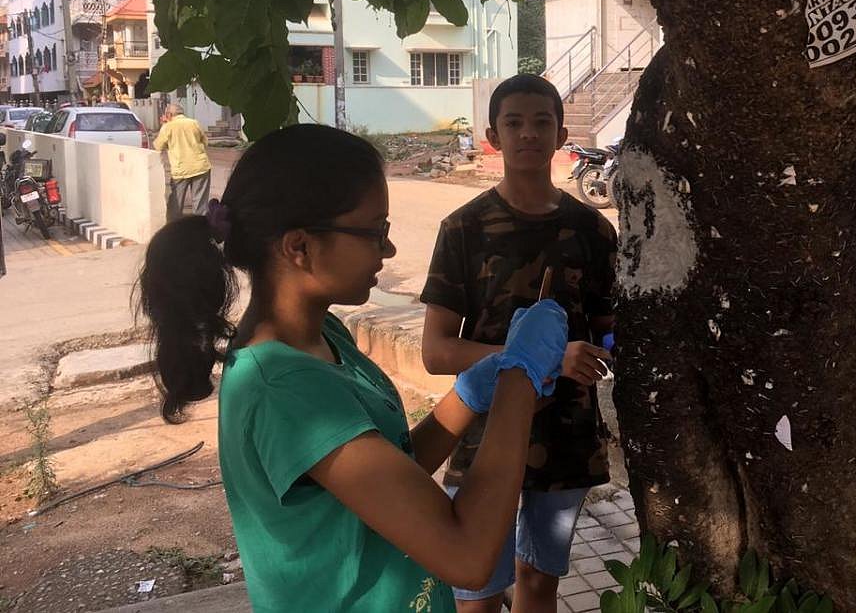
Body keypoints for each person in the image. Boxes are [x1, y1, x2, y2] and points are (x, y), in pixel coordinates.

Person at [135, 124, 568, 612]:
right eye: (375, 231)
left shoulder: (321, 335)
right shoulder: (282, 388)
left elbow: (389, 476)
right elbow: (468, 555)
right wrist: (519, 380)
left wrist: (466, 397)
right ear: (299, 247)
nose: (388, 250)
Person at [422, 74, 618, 613]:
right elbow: (437, 352)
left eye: (541, 122)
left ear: (560, 135)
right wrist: (550, 356)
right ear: (493, 134)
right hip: (481, 433)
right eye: (514, 122)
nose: (528, 133)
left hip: (566, 435)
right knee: (477, 589)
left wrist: (606, 349)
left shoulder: (594, 231)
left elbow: (608, 328)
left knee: (538, 581)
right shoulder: (463, 228)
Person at [154, 103, 212, 220]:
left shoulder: (168, 127)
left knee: (175, 205)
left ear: (169, 114)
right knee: (200, 206)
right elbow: (205, 142)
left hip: (180, 170)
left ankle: (173, 231)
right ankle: (199, 230)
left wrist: (164, 125)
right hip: (201, 167)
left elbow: (158, 146)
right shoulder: (194, 123)